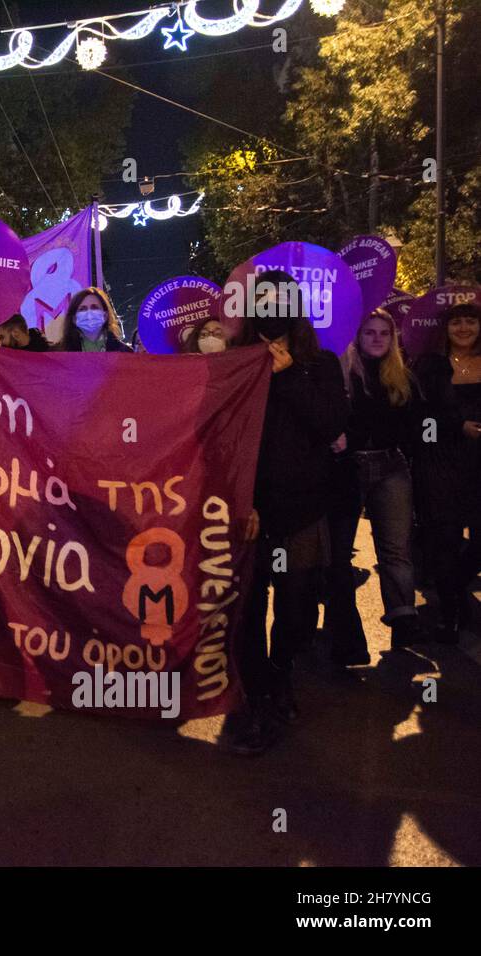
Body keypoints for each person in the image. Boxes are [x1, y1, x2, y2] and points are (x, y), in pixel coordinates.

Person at [228, 270, 348, 755]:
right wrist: (242, 500)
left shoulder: (320, 365)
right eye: (265, 299)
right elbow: (223, 438)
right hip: (252, 512)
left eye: (282, 299)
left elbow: (331, 426)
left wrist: (289, 377)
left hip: (301, 511)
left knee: (296, 610)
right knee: (250, 611)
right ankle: (260, 701)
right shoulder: (236, 363)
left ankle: (282, 676)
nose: (273, 306)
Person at [325, 309, 421, 664]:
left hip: (390, 465)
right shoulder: (343, 374)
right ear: (358, 336)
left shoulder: (401, 377)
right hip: (348, 469)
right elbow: (332, 418)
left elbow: (413, 425)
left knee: (395, 550)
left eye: (384, 333)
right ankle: (345, 639)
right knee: (339, 554)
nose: (377, 338)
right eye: (370, 332)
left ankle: (403, 621)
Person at [412, 301, 481, 644]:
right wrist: (458, 425)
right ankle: (450, 612)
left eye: (471, 321)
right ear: (446, 329)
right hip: (441, 466)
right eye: (458, 322)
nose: (464, 328)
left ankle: (455, 587)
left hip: (479, 467)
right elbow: (421, 421)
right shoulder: (430, 366)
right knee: (445, 543)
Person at [56, 287, 132, 353]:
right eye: (82, 309)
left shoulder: (125, 352)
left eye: (94, 307)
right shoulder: (58, 352)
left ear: (105, 315)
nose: (89, 314)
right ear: (74, 319)